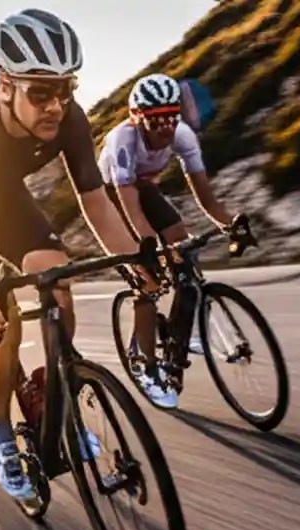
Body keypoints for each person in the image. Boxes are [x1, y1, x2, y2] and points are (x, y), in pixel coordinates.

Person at [0, 8, 158, 503]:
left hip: (5, 198)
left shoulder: (70, 121)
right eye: (40, 92)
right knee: (2, 320)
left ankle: (55, 397)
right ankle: (3, 431)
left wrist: (137, 262)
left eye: (67, 89)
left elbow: (96, 205)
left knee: (58, 283)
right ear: (5, 85)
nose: (56, 105)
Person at [97, 72, 249, 388]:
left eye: (171, 116)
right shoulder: (121, 142)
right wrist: (147, 248)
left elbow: (207, 199)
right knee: (148, 277)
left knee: (183, 247)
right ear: (137, 119)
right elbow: (131, 209)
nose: (166, 126)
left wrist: (231, 225)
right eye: (156, 120)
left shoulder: (183, 136)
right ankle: (145, 357)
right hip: (111, 195)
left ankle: (180, 329)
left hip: (143, 190)